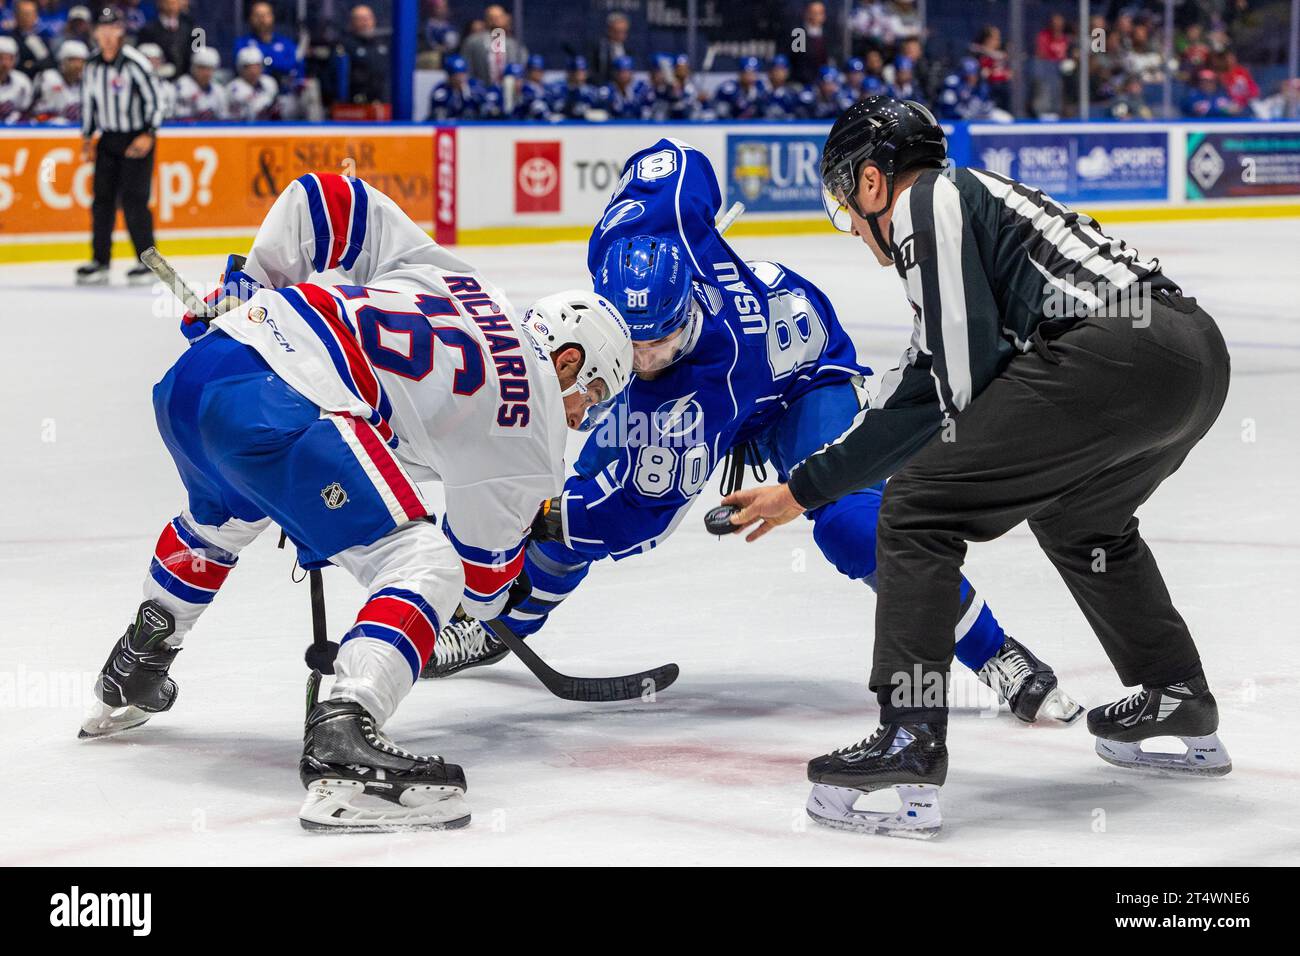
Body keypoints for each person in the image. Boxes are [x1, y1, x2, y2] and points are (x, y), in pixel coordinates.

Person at [423, 136, 1083, 741]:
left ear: (687, 315)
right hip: (726, 363)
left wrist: (544, 517)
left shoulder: (698, 390)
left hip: (801, 386)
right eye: (631, 341)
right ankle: (496, 622)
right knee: (574, 495)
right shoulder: (648, 233)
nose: (644, 356)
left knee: (853, 526)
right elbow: (677, 158)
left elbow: (637, 518)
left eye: (659, 343)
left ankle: (997, 652)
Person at [724, 98, 1232, 837]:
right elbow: (942, 373)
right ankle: (1176, 689)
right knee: (1083, 520)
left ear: (871, 183)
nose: (856, 231)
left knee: (916, 510)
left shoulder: (928, 202)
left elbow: (947, 386)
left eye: (845, 205)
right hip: (1192, 358)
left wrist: (805, 488)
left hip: (1115, 354)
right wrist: (808, 488)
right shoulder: (969, 200)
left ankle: (910, 735)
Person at [79, 172, 633, 833]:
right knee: (425, 566)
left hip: (205, 373)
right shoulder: (538, 426)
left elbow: (326, 199)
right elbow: (481, 591)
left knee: (221, 520)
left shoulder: (464, 282)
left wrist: (249, 283)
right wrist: (511, 559)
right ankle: (345, 745)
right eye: (592, 396)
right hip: (285, 405)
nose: (581, 418)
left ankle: (139, 662)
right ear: (568, 360)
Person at [76, 7, 163, 286]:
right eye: (103, 28)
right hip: (109, 139)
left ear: (121, 31)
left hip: (136, 137)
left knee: (135, 201)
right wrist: (88, 137)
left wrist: (148, 133)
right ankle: (100, 261)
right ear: (95, 33)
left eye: (113, 28)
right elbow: (89, 103)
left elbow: (156, 100)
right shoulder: (91, 65)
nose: (108, 34)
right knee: (101, 202)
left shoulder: (135, 63)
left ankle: (149, 263)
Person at [233, 1, 302, 87]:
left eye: (266, 15)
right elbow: (245, 70)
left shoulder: (286, 43)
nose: (262, 19)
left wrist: (268, 63)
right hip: (253, 93)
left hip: (285, 93)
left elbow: (294, 67)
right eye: (257, 15)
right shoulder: (242, 44)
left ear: (272, 17)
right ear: (250, 18)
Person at [337, 4, 390, 104]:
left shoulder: (384, 43)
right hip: (354, 102)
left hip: (383, 101)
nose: (365, 22)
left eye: (368, 18)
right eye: (360, 19)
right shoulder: (346, 45)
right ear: (352, 22)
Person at [28, 36, 86, 123]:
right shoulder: (47, 78)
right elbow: (32, 112)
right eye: (72, 60)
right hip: (48, 131)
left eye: (81, 61)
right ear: (62, 61)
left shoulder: (89, 83)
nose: (77, 65)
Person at [137, 0, 195, 79]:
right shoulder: (148, 30)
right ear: (160, 3)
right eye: (168, 2)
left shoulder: (188, 29)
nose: (172, 6)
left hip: (184, 80)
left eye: (175, 2)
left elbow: (192, 54)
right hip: (157, 79)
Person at [173, 45, 226, 121]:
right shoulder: (183, 86)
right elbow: (182, 119)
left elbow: (223, 120)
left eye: (209, 68)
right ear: (193, 67)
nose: (206, 73)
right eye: (202, 68)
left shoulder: (218, 90)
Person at [226, 44, 279, 120]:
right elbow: (254, 108)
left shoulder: (270, 82)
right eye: (248, 67)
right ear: (240, 68)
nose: (253, 71)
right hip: (241, 126)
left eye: (257, 66)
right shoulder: (233, 87)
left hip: (267, 126)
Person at [428, 53, 482, 119]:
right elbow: (438, 117)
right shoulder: (441, 92)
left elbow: (482, 115)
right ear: (450, 77)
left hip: (471, 128)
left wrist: (467, 94)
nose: (460, 79)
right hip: (448, 127)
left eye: (463, 74)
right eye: (456, 76)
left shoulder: (476, 89)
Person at [711, 56, 767, 120]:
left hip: (754, 125)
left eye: (754, 73)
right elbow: (716, 107)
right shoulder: (729, 88)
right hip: (730, 124)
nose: (751, 76)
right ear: (741, 73)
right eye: (748, 73)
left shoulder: (761, 87)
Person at [0, 35, 34, 122]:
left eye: (10, 58)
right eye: (1, 58)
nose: (5, 64)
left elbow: (25, 112)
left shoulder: (22, 81)